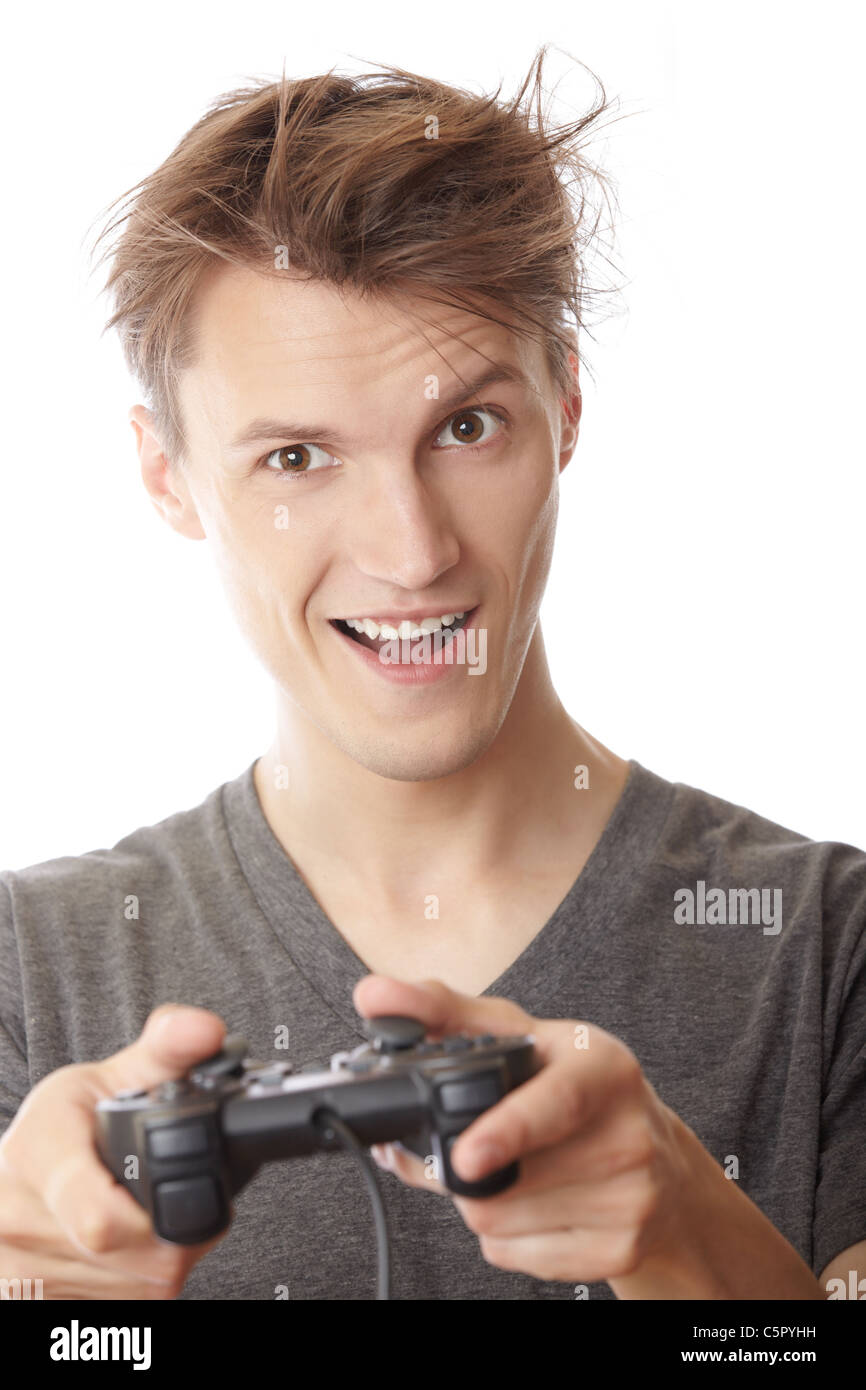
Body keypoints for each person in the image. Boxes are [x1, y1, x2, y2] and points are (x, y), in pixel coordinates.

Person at [1, 50, 863, 1303]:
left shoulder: (831, 954)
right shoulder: (30, 977)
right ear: (165, 474)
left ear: (564, 401)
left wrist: (700, 1252)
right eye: (297, 455)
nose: (411, 552)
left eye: (465, 427)